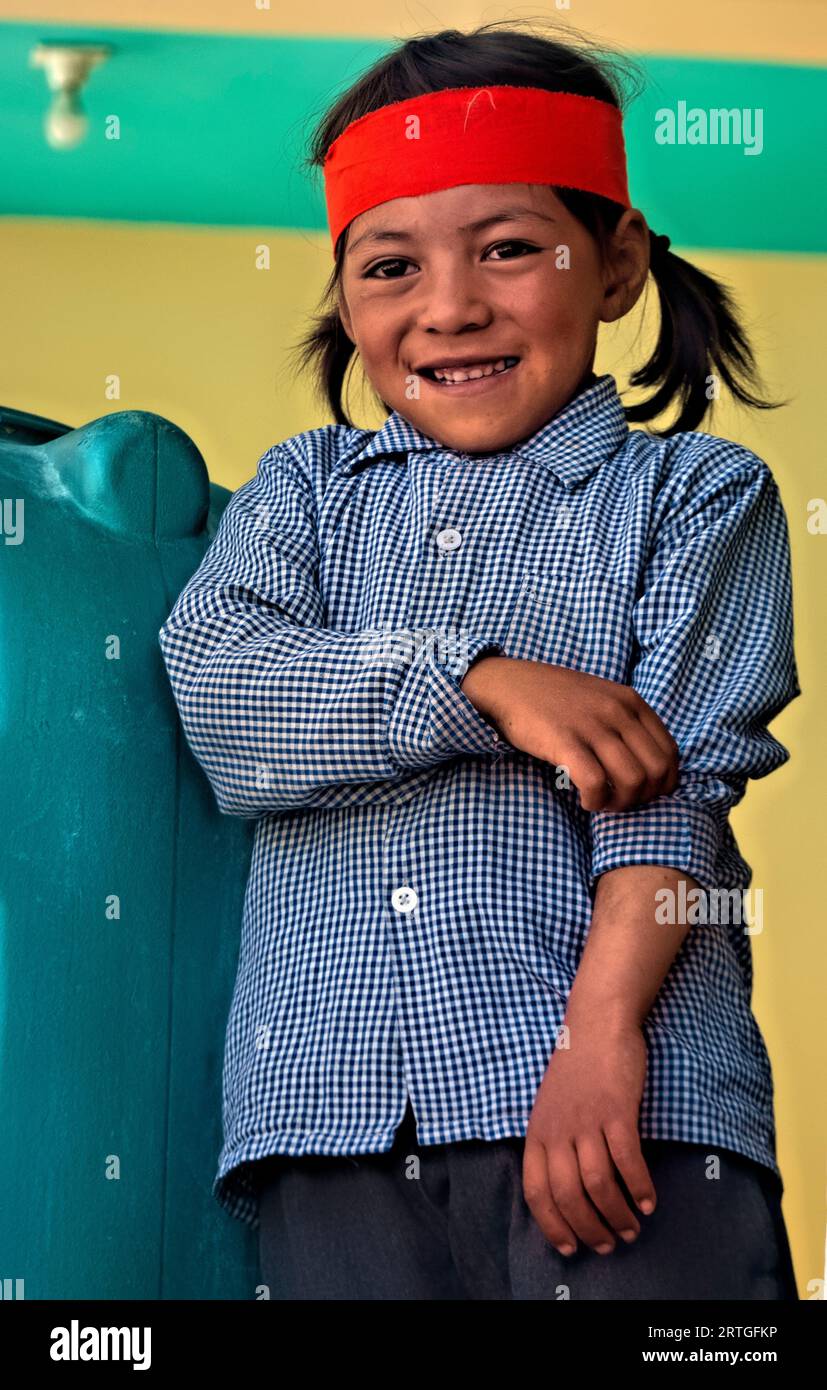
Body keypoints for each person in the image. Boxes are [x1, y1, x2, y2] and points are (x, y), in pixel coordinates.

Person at [157, 21, 801, 1299]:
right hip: (325, 1120)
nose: (449, 308)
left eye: (509, 249)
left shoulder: (694, 490)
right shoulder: (301, 494)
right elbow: (225, 687)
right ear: (344, 296)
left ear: (614, 264)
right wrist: (482, 680)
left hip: (629, 1111)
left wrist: (604, 1038)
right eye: (389, 266)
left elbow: (674, 791)